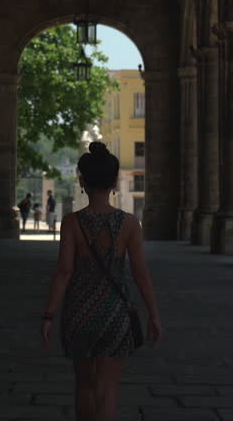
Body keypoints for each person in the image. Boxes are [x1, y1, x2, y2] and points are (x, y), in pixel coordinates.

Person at [41, 142, 161, 421]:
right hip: (115, 314)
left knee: (84, 385)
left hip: (79, 312)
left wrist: (48, 314)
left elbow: (63, 272)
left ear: (82, 181)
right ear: (115, 182)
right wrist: (153, 315)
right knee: (107, 389)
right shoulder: (129, 224)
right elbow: (141, 275)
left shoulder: (72, 223)